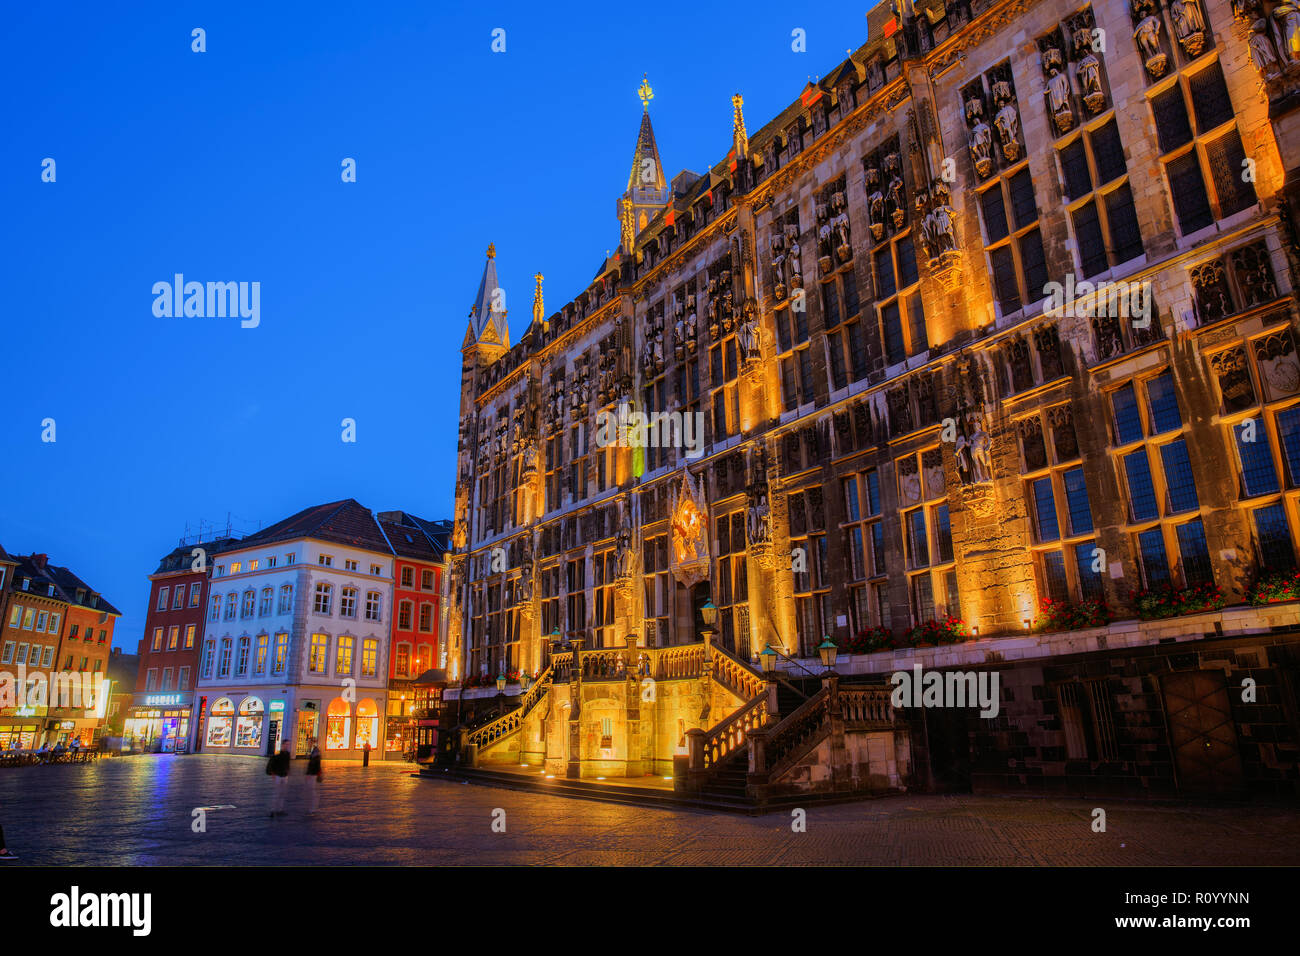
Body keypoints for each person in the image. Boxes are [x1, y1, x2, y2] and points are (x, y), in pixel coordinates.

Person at [266, 743, 291, 816]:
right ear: (283, 745)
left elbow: (287, 764)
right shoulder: (278, 754)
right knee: (276, 793)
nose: (287, 746)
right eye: (286, 744)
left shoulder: (287, 754)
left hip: (285, 776)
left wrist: (288, 771)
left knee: (282, 793)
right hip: (278, 776)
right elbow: (273, 763)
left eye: (288, 744)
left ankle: (280, 810)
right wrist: (273, 773)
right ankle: (273, 810)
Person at [305, 745, 323, 814]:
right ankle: (313, 807)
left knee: (313, 792)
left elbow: (313, 767)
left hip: (313, 775)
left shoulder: (315, 758)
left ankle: (312, 808)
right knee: (314, 792)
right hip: (313, 775)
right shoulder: (315, 757)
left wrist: (308, 774)